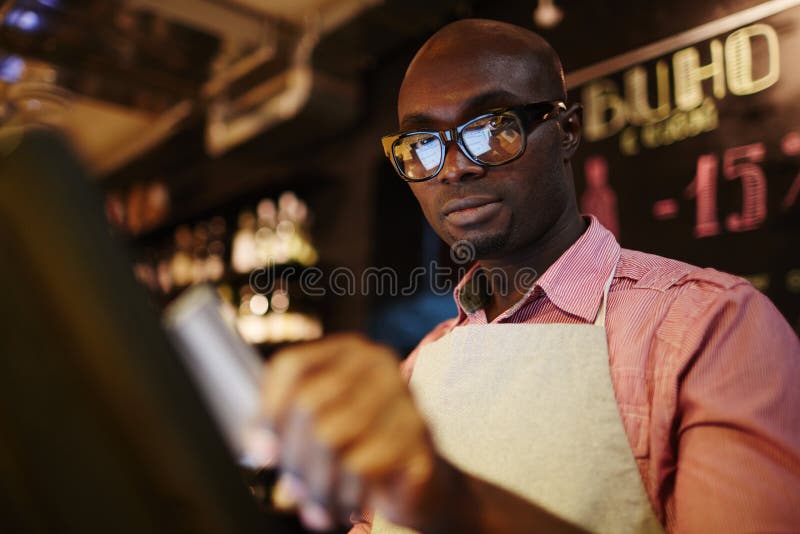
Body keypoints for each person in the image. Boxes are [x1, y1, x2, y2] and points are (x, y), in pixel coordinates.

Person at [250, 19, 800, 533]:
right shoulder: (421, 367)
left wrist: (452, 500)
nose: (456, 166)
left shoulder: (709, 328)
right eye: (422, 145)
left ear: (567, 131)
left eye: (491, 130)